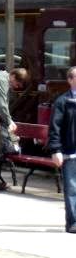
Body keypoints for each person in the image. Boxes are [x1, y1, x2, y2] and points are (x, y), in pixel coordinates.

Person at [48, 65, 76, 233]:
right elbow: (55, 128)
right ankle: (73, 222)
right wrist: (56, 150)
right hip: (70, 152)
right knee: (71, 188)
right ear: (70, 80)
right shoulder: (62, 102)